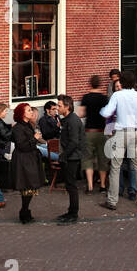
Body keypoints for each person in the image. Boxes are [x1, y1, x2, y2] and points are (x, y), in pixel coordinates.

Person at [101, 71, 137, 210]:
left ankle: (112, 201)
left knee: (115, 167)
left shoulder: (117, 95)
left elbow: (106, 113)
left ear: (121, 83)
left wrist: (102, 110)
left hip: (120, 133)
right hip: (135, 133)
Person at [9, 102, 46, 223]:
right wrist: (34, 139)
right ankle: (24, 212)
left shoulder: (28, 125)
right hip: (23, 160)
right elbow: (22, 146)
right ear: (22, 114)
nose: (32, 112)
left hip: (29, 158)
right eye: (29, 110)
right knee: (27, 187)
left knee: (30, 187)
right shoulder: (18, 128)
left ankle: (25, 211)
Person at [55, 95, 85, 223]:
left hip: (72, 157)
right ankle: (71, 212)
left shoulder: (73, 120)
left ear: (67, 107)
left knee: (71, 186)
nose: (57, 108)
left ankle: (73, 214)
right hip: (69, 156)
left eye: (59, 106)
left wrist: (64, 156)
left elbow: (73, 141)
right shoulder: (67, 119)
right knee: (69, 185)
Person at [81, 74, 110, 193]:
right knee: (102, 159)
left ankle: (90, 185)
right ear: (100, 84)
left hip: (89, 131)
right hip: (101, 131)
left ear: (90, 84)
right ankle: (102, 186)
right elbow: (108, 115)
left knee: (88, 158)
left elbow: (81, 113)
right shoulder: (104, 98)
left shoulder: (86, 97)